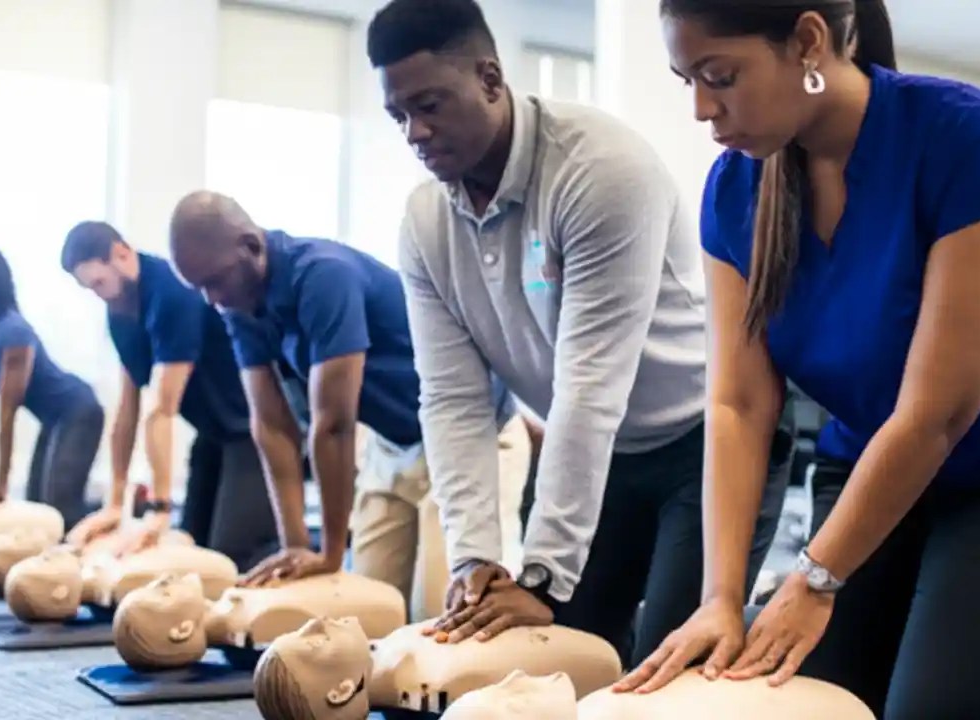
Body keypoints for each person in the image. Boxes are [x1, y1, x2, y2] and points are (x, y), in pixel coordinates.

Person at [615, 1, 980, 717]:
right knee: (796, 695)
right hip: (870, 473)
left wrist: (815, 579)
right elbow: (739, 403)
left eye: (720, 76)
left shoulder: (962, 133)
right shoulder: (734, 190)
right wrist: (721, 599)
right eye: (686, 81)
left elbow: (935, 414)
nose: (702, 108)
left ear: (808, 41)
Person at [366, 0, 795, 668]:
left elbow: (589, 387)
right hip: (601, 456)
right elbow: (454, 401)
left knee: (666, 670)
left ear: (488, 78)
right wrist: (476, 558)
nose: (415, 132)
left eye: (430, 105)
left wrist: (542, 574)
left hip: (703, 442)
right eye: (399, 116)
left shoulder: (599, 170)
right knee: (552, 657)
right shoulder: (424, 223)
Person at [168, 191, 501, 615]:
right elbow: (271, 426)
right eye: (199, 288)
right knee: (363, 612)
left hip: (467, 436)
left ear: (251, 248)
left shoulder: (323, 275)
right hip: (393, 444)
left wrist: (327, 551)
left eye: (215, 281)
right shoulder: (239, 305)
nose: (211, 299)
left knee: (438, 614)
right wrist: (295, 547)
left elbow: (334, 424)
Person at [58, 221, 277, 571]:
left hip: (258, 432)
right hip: (215, 434)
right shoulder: (119, 309)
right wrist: (115, 504)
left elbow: (161, 409)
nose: (98, 294)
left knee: (228, 557)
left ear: (122, 254)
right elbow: (126, 410)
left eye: (99, 282)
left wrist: (159, 509)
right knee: (191, 547)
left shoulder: (171, 294)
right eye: (90, 288)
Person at [0, 242, 102, 528]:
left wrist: (1, 486)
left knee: (59, 510)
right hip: (52, 418)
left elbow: (7, 414)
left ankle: (134, 506)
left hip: (79, 410)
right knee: (39, 508)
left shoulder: (14, 331)